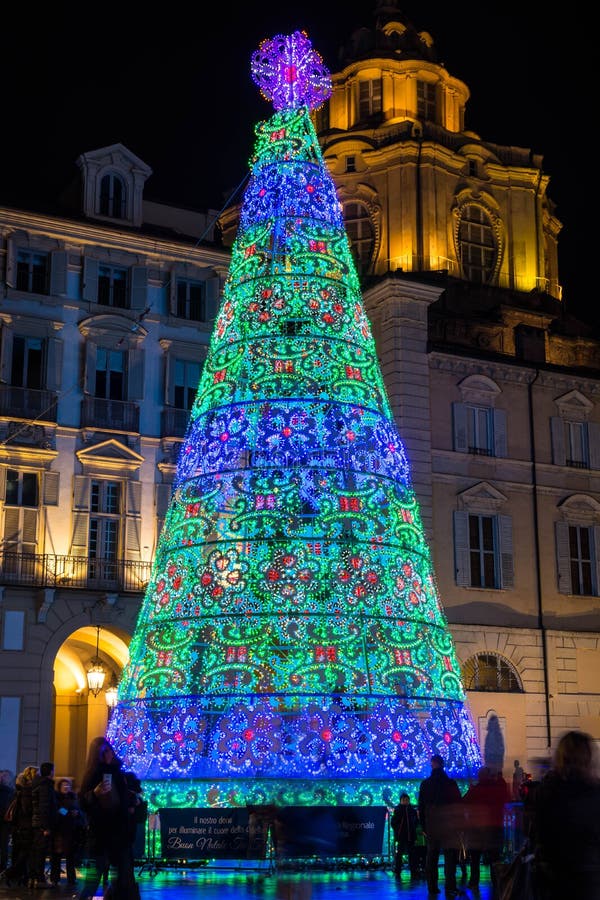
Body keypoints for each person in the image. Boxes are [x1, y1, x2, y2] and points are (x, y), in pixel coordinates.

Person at [532, 730, 600, 899]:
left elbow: (539, 833)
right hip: (589, 877)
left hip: (554, 877)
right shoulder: (594, 791)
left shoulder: (547, 790)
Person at [78, 736, 136, 900]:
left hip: (119, 832)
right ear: (99, 755)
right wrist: (94, 794)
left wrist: (132, 801)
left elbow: (124, 799)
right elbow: (83, 801)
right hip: (102, 832)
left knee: (122, 877)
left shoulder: (119, 773)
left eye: (110, 750)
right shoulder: (93, 774)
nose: (110, 754)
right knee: (95, 876)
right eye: (105, 752)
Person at [418, 753, 463, 897]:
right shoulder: (450, 783)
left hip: (432, 824)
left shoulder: (426, 784)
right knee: (450, 856)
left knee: (432, 855)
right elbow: (458, 804)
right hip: (449, 824)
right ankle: (450, 886)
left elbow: (421, 807)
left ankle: (432, 886)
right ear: (443, 764)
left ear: (432, 764)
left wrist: (424, 826)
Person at [462, 765, 510, 892]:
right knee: (494, 858)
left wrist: (470, 790)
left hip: (476, 828)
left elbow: (464, 802)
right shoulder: (497, 789)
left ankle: (474, 881)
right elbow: (506, 800)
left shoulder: (475, 790)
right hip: (494, 827)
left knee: (475, 858)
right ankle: (496, 882)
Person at [2, 765, 37, 887]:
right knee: (26, 853)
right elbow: (27, 810)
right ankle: (11, 873)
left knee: (20, 852)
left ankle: (18, 876)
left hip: (18, 827)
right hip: (26, 827)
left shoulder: (17, 791)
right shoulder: (27, 792)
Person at [50, 778, 86, 888]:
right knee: (57, 856)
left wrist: (78, 813)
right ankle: (55, 878)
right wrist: (69, 813)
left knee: (70, 856)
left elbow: (80, 811)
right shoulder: (56, 798)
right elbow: (56, 810)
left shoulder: (74, 797)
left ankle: (71, 878)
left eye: (68, 785)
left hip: (71, 831)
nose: (66, 787)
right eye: (64, 785)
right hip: (59, 830)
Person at [29, 761, 58, 888]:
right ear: (51, 771)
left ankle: (34, 878)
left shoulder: (38, 784)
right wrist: (45, 827)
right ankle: (39, 879)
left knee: (37, 852)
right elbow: (44, 807)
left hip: (38, 822)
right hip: (42, 824)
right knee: (40, 853)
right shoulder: (45, 786)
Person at [390, 792, 419, 878]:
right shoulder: (398, 810)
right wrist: (398, 830)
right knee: (399, 853)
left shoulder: (412, 810)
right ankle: (398, 869)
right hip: (401, 835)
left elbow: (416, 821)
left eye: (407, 800)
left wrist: (413, 827)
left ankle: (413, 869)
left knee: (412, 853)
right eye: (404, 800)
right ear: (401, 801)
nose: (406, 801)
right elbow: (393, 822)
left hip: (411, 835)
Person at [0, 769, 15, 875]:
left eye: (5, 776)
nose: (3, 777)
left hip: (5, 823)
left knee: (4, 846)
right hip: (5, 822)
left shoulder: (12, 792)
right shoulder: (11, 792)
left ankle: (3, 867)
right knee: (3, 846)